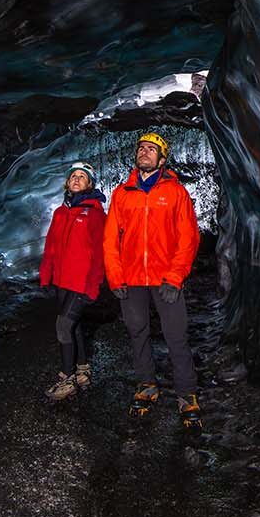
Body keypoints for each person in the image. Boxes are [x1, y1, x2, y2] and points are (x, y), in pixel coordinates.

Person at [102, 132, 203, 427]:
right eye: (141, 148)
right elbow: (110, 240)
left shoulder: (175, 192)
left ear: (162, 159)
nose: (144, 152)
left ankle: (186, 394)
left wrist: (175, 277)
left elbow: (189, 238)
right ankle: (146, 384)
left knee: (176, 337)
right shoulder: (122, 193)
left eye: (151, 149)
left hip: (166, 278)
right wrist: (115, 277)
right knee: (137, 333)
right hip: (131, 279)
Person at [38, 161, 106, 402]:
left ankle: (66, 378)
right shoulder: (61, 212)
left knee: (64, 326)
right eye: (73, 176)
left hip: (81, 283)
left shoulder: (95, 213)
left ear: (89, 184)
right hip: (62, 281)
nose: (77, 179)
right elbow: (51, 248)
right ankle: (82, 370)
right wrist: (46, 277)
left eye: (82, 177)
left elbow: (100, 253)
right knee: (74, 326)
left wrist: (93, 286)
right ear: (68, 183)